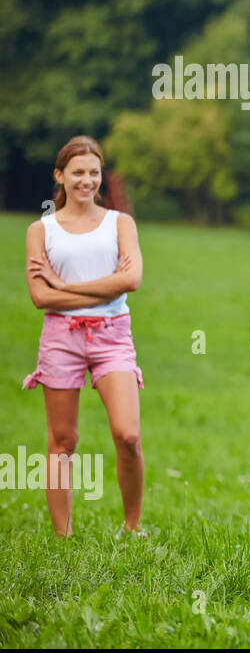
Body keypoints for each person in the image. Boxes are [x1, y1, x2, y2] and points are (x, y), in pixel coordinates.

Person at [23, 136, 145, 537]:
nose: (87, 181)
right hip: (61, 338)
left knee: (128, 434)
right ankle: (64, 535)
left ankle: (132, 526)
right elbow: (41, 297)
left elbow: (132, 280)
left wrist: (63, 286)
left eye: (94, 172)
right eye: (78, 172)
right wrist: (105, 285)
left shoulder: (120, 223)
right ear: (60, 175)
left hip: (112, 336)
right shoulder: (40, 231)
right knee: (62, 440)